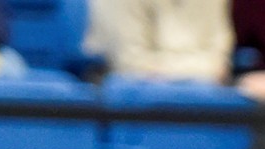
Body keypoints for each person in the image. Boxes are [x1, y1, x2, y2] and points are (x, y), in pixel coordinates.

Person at [86, 0, 238, 85]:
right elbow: (131, 64)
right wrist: (202, 68)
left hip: (203, 91)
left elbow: (219, 61)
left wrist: (162, 69)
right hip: (130, 94)